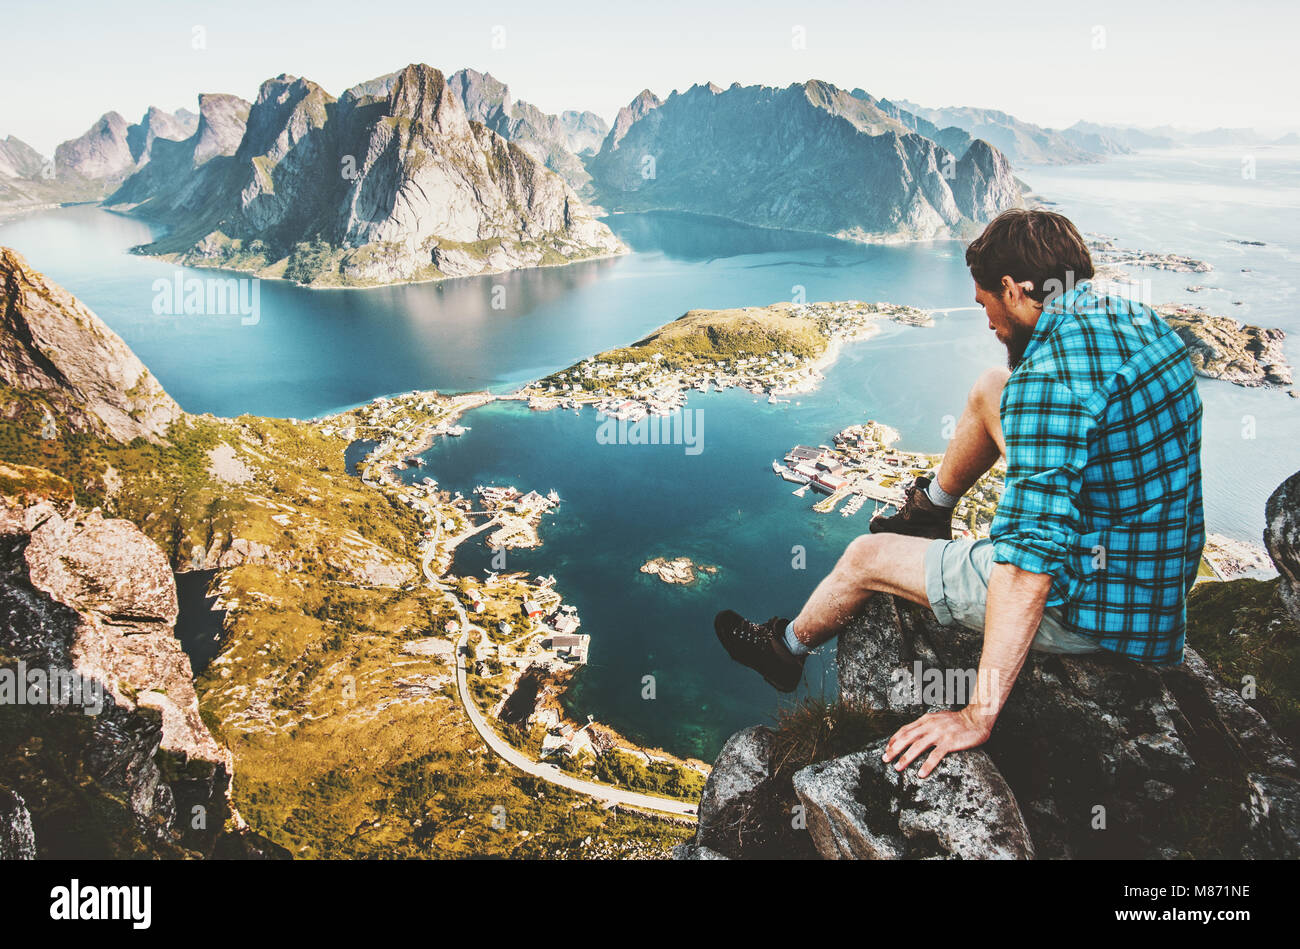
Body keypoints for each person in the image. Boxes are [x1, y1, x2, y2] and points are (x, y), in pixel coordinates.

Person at [714, 208, 1205, 778]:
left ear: (1013, 290)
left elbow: (1027, 567)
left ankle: (784, 651)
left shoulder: (1048, 381)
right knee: (991, 385)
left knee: (863, 557)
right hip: (1155, 575)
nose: (989, 324)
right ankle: (929, 513)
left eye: (985, 306)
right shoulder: (1140, 322)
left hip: (1096, 608)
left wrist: (977, 715)